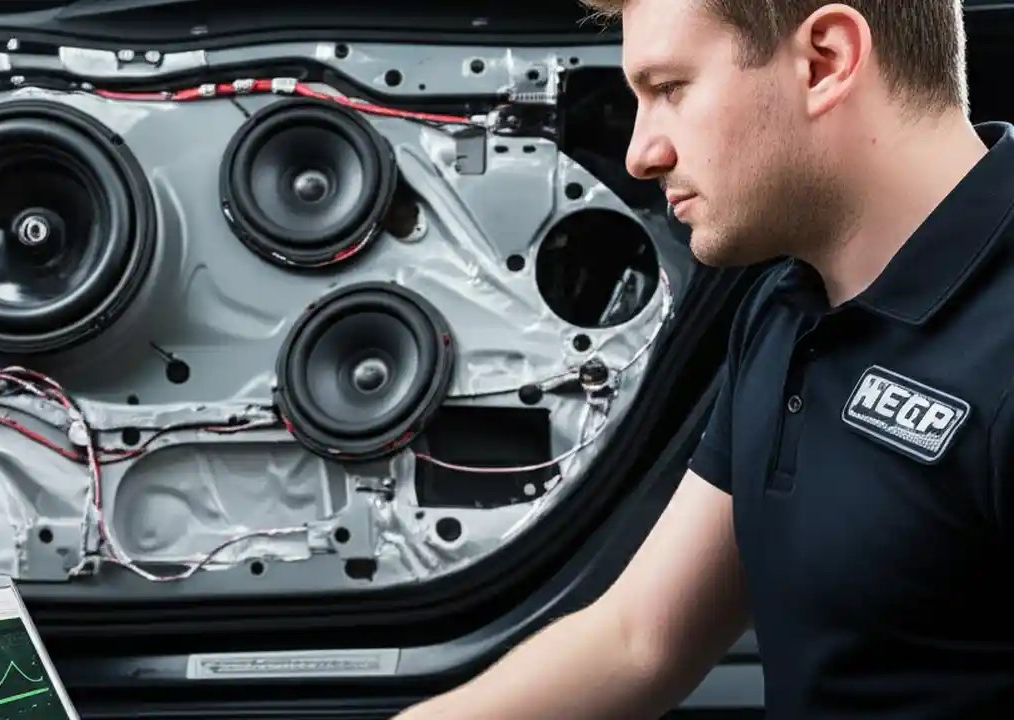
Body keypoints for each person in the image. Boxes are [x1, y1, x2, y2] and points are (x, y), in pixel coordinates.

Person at [394, 0, 1014, 717]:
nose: (639, 153)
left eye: (669, 89)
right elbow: (638, 642)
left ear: (825, 61)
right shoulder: (786, 308)